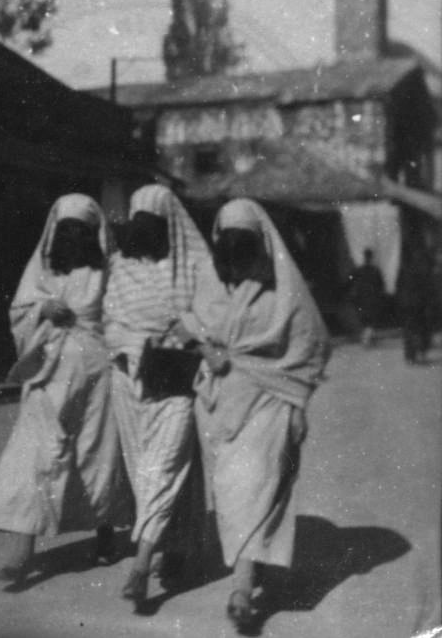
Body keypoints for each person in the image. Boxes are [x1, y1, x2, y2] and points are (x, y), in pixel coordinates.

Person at [193, 198, 330, 633]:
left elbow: (311, 342)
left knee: (256, 489)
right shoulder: (209, 281)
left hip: (271, 403)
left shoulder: (284, 289)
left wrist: (298, 404)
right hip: (219, 406)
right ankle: (253, 569)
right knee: (233, 494)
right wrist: (206, 350)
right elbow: (196, 329)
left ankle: (241, 588)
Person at [0, 194, 123, 586]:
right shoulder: (42, 267)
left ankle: (105, 533)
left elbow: (122, 315)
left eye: (82, 231)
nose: (74, 237)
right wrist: (43, 310)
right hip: (48, 374)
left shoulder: (109, 269)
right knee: (33, 455)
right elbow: (20, 309)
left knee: (97, 456)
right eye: (67, 230)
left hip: (97, 377)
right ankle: (22, 551)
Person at [103, 184, 221, 607]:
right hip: (128, 383)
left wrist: (183, 331)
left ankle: (140, 566)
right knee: (146, 472)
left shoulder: (195, 266)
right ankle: (172, 547)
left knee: (165, 467)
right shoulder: (119, 267)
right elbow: (109, 324)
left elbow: (212, 320)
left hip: (176, 383)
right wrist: (136, 346)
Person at [396, 243, 435, 364]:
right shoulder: (421, 269)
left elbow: (399, 287)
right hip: (419, 303)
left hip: (408, 304)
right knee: (422, 327)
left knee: (409, 328)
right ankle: (421, 352)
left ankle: (411, 356)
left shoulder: (403, 270)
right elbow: (427, 287)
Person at [346, 248, 385, 347]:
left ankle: (367, 338)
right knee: (370, 319)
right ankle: (367, 339)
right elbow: (381, 285)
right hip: (371, 298)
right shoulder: (375, 270)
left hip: (362, 298)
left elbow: (350, 281)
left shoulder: (359, 270)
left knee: (365, 319)